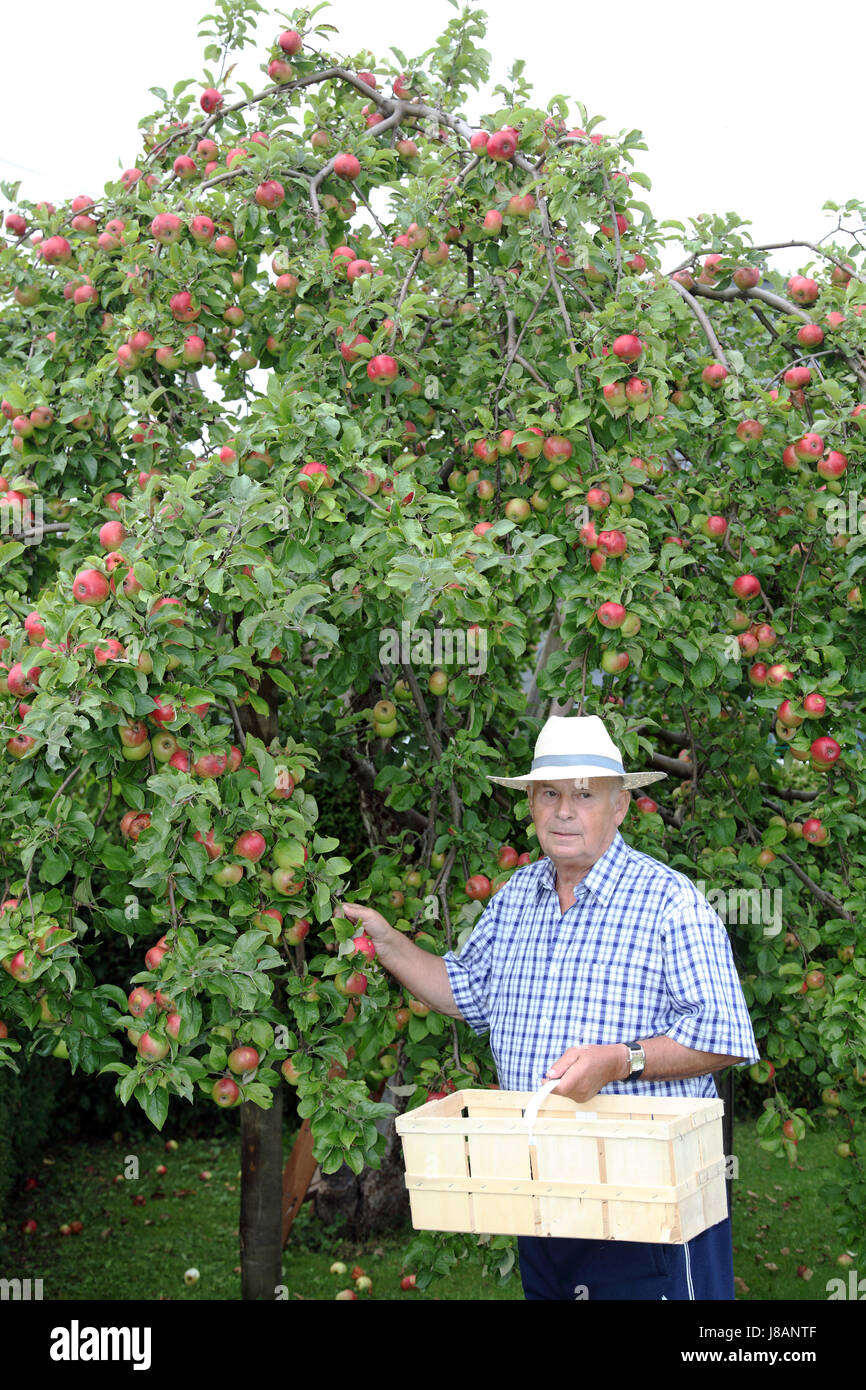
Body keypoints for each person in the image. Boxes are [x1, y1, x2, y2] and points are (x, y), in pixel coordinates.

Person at [341, 714, 760, 1301]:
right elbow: (465, 991)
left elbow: (723, 1037)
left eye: (585, 794)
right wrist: (388, 945)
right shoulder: (518, 898)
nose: (565, 810)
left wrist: (620, 1061)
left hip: (646, 1200)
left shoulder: (669, 903)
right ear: (532, 805)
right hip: (541, 1195)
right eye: (549, 794)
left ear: (619, 806)